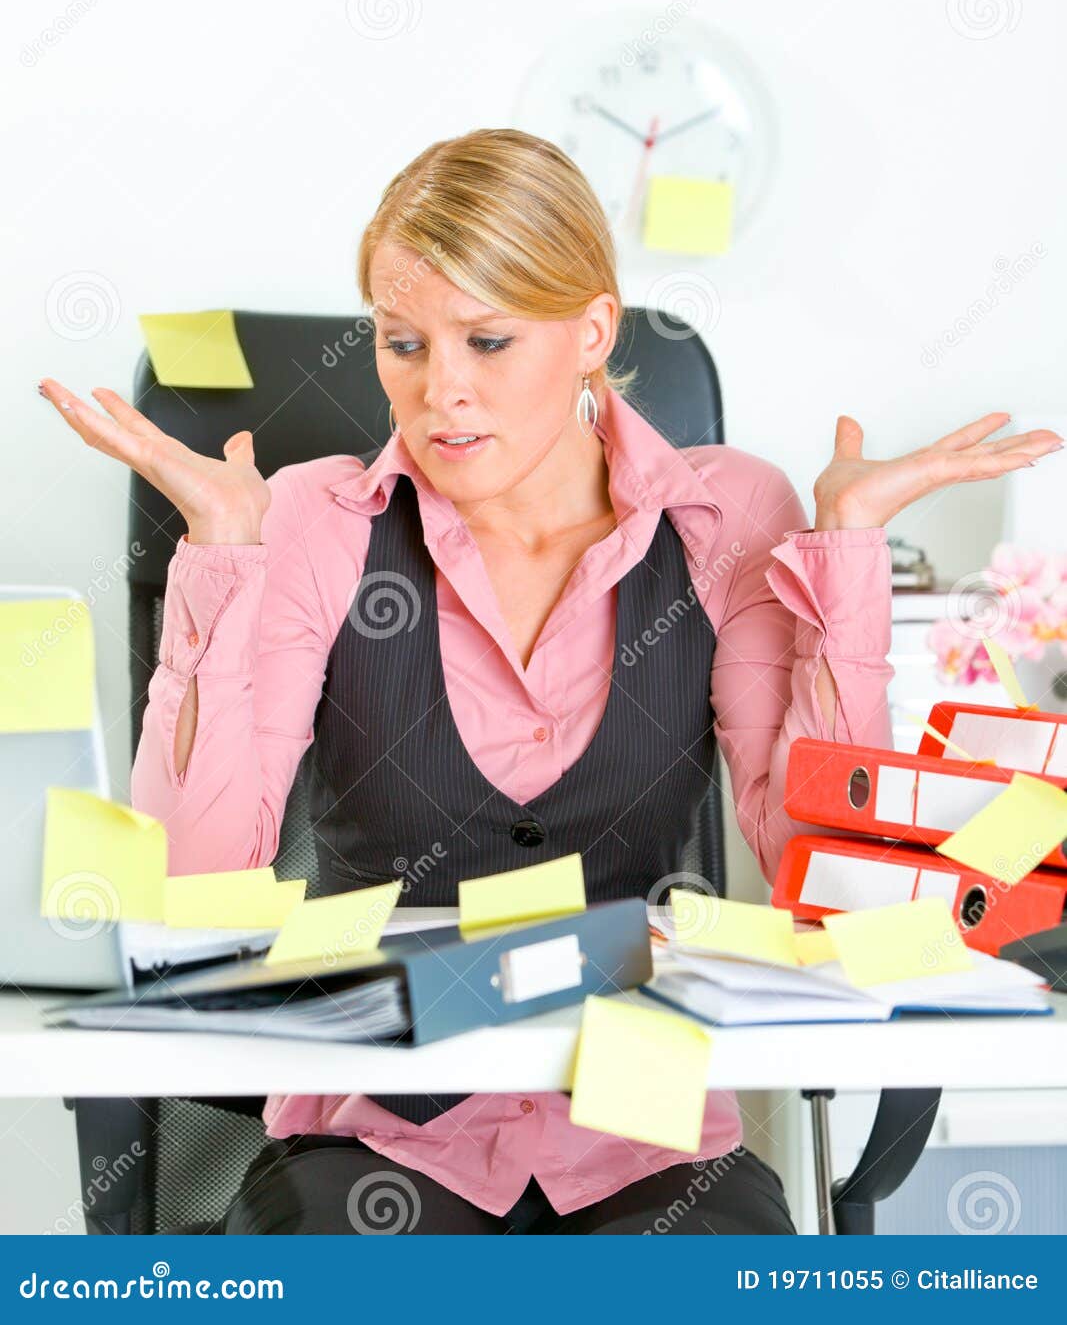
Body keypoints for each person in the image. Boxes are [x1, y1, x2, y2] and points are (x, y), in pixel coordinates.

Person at [39, 128, 1062, 1235]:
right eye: (402, 343)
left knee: (718, 1284)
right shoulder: (317, 522)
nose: (440, 391)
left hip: (642, 1131)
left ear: (591, 331)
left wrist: (847, 548)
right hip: (378, 1134)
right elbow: (191, 890)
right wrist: (222, 554)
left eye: (487, 340)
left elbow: (818, 876)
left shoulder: (720, 517)